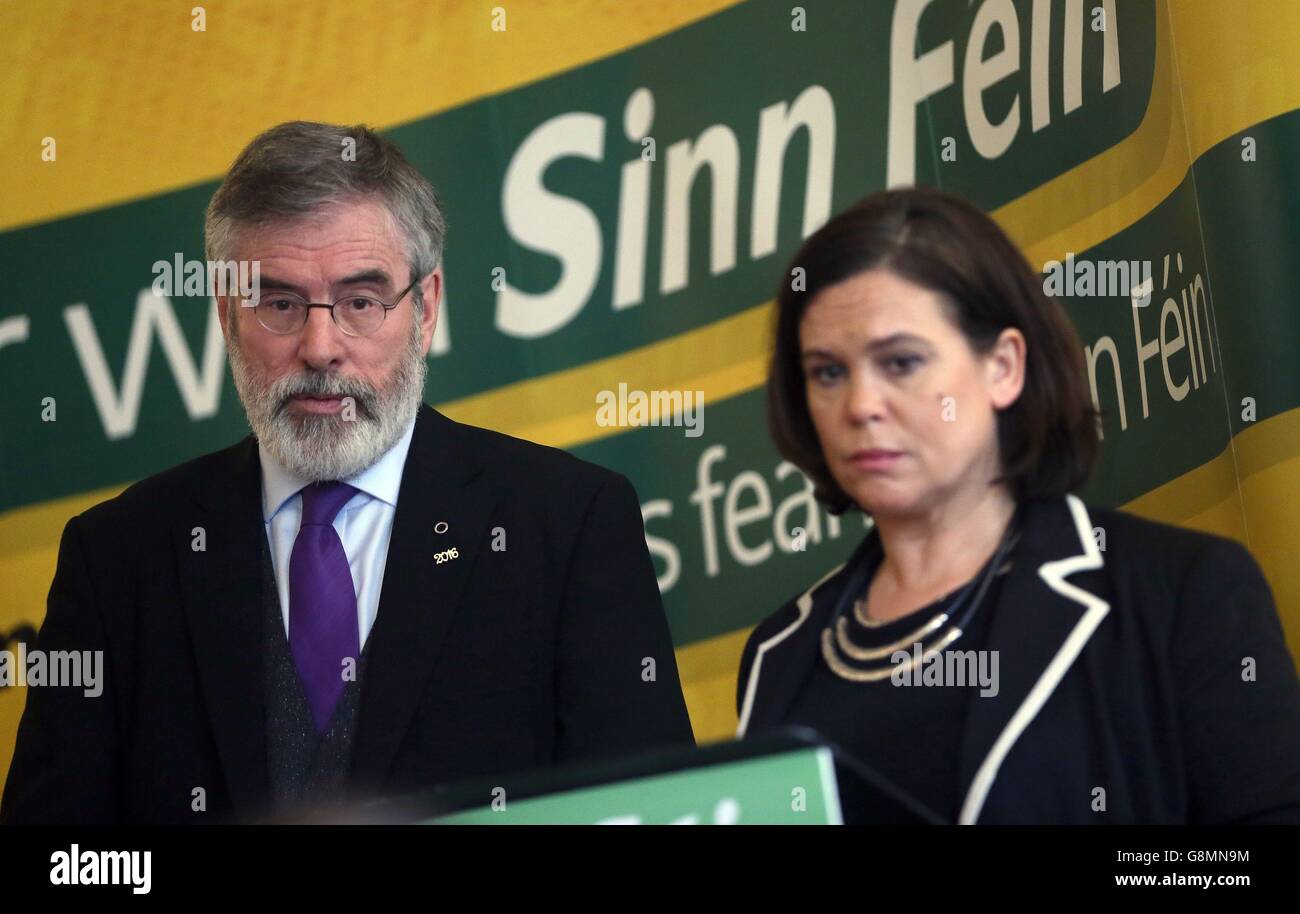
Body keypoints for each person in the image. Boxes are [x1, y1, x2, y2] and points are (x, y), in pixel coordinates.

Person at [1, 121, 693, 824]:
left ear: (425, 310)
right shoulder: (119, 557)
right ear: (224, 316)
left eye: (361, 301)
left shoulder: (568, 525)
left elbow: (650, 817)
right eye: (279, 304)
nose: (320, 347)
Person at [737, 186, 1300, 824]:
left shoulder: (1181, 593)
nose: (861, 405)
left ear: (1003, 367)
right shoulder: (778, 654)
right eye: (828, 372)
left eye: (901, 362)